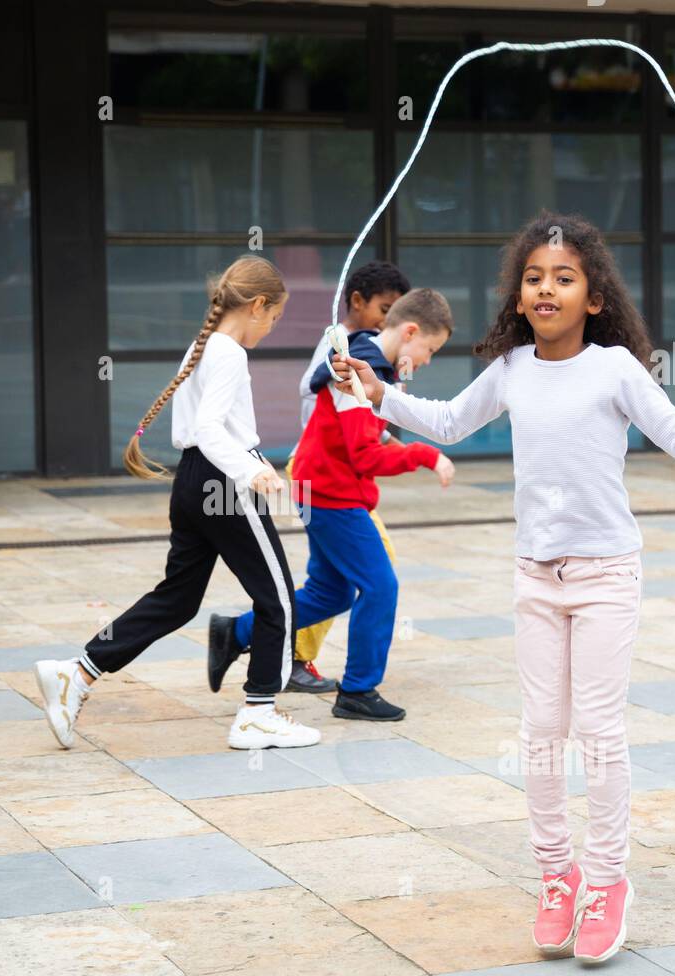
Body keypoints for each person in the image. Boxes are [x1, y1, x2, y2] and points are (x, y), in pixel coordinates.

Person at [338, 212, 675, 963]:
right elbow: (445, 422)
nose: (546, 288)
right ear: (518, 292)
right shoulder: (510, 370)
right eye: (534, 277)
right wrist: (379, 392)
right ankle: (556, 877)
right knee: (540, 736)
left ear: (594, 297)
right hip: (535, 577)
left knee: (598, 736)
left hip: (605, 577)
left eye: (564, 278)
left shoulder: (616, 370)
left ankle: (606, 882)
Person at [32, 256, 318, 752]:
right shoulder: (228, 352)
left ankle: (75, 674)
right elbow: (210, 429)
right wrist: (252, 471)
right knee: (278, 599)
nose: (271, 329)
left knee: (178, 599)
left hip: (193, 481)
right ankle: (258, 713)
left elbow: (200, 433)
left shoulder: (204, 344)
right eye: (273, 318)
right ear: (256, 305)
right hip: (224, 482)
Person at [211, 288, 455, 722]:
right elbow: (362, 455)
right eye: (430, 349)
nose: (428, 360)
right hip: (330, 493)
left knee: (332, 591)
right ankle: (358, 691)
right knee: (380, 587)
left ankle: (237, 631)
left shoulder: (363, 361)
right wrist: (424, 454)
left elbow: (356, 436)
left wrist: (387, 437)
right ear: (411, 331)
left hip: (320, 486)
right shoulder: (358, 369)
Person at [286, 261, 411, 693]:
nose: (387, 319)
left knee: (331, 581)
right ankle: (300, 658)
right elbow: (314, 390)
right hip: (320, 469)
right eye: (384, 308)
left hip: (324, 469)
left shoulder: (364, 345)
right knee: (376, 571)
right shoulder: (341, 344)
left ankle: (276, 647)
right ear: (356, 301)